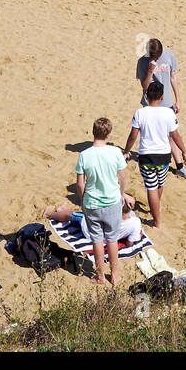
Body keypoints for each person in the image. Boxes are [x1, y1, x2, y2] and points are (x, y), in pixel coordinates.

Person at [123, 81, 186, 228]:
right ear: (162, 97)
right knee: (160, 183)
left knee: (151, 187)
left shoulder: (140, 113)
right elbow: (175, 136)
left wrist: (126, 151)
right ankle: (156, 210)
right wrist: (184, 151)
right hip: (164, 156)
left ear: (147, 96)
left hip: (147, 156)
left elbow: (133, 136)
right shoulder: (168, 113)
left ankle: (157, 221)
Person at [73, 117, 129, 287]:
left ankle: (100, 276)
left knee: (97, 240)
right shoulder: (115, 152)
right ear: (109, 134)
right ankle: (115, 274)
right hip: (112, 201)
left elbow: (80, 183)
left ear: (93, 132)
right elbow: (123, 177)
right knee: (112, 239)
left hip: (92, 203)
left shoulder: (84, 155)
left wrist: (83, 200)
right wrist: (120, 194)